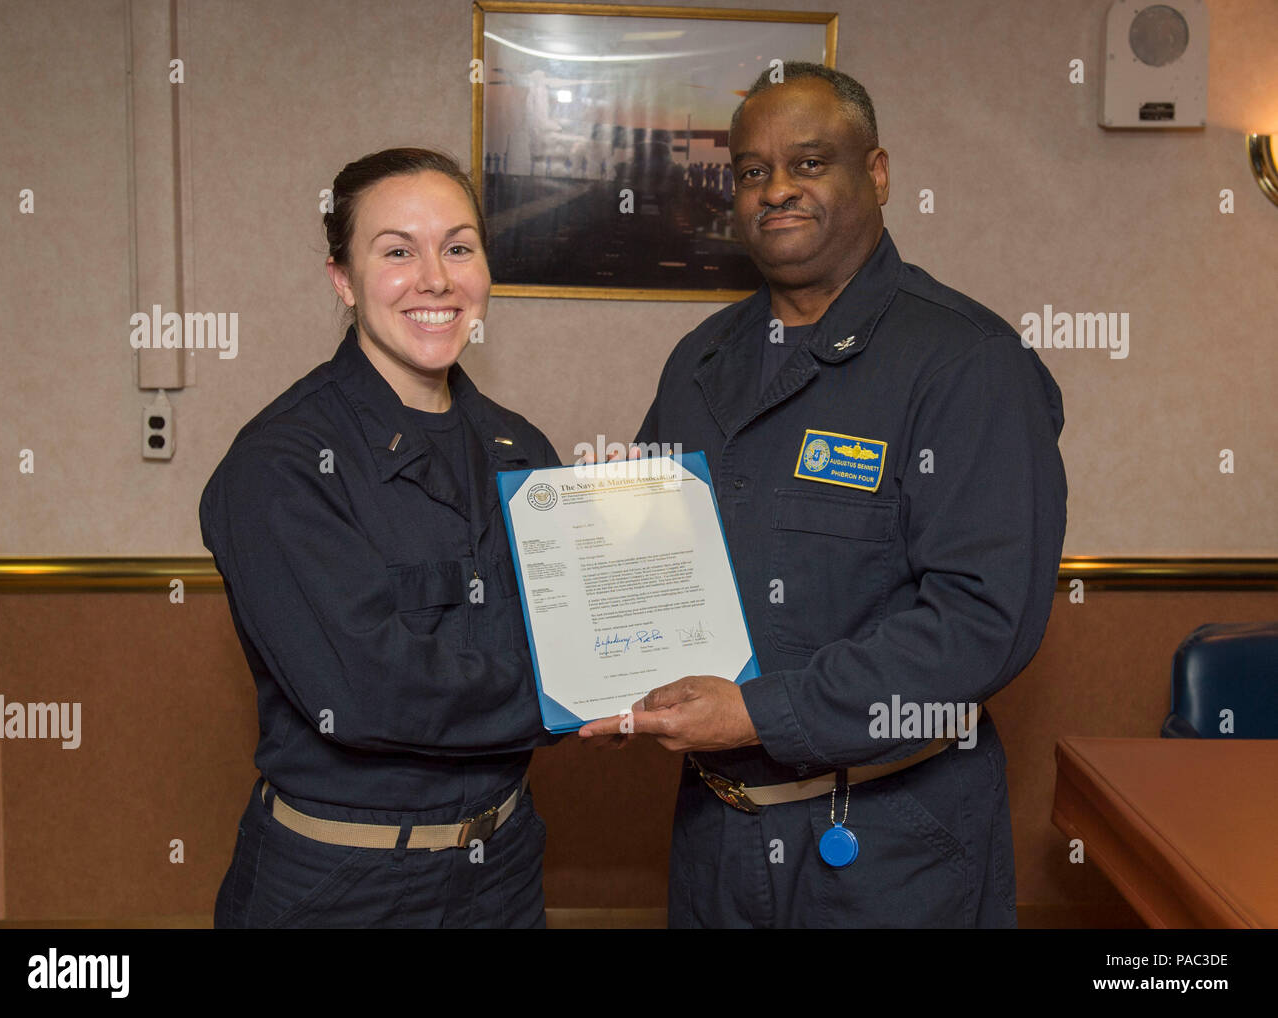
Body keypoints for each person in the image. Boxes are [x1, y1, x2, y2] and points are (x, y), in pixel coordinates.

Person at [580, 63, 1067, 928]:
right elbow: (648, 559)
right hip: (716, 834)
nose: (776, 191)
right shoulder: (698, 363)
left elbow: (979, 625)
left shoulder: (966, 363)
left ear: (875, 174)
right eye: (752, 171)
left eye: (809, 163)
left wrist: (761, 712)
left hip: (889, 844)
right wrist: (594, 643)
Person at [200, 148, 561, 928]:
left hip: (502, 866)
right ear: (342, 279)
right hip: (345, 883)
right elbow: (368, 691)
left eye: (458, 247)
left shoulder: (523, 452)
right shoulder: (282, 464)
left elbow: (570, 625)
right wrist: (580, 698)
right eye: (397, 251)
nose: (435, 278)